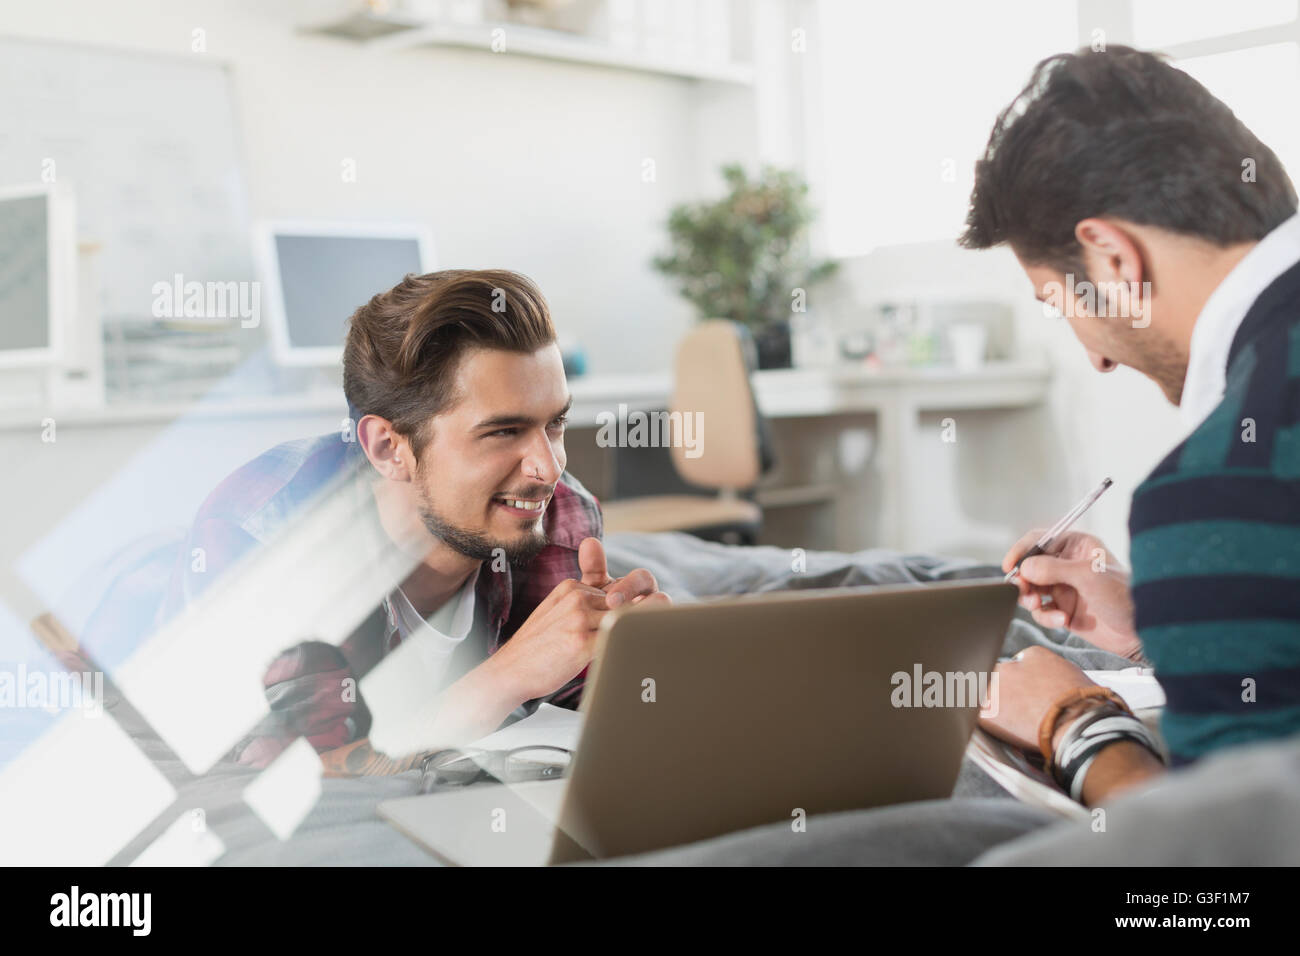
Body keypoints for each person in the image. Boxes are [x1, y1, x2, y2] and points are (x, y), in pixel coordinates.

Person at [164, 269, 668, 773]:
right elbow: (277, 781)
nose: (549, 466)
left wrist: (632, 673)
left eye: (554, 423)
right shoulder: (258, 541)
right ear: (389, 448)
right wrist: (503, 679)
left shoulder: (565, 520)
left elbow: (579, 714)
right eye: (504, 431)